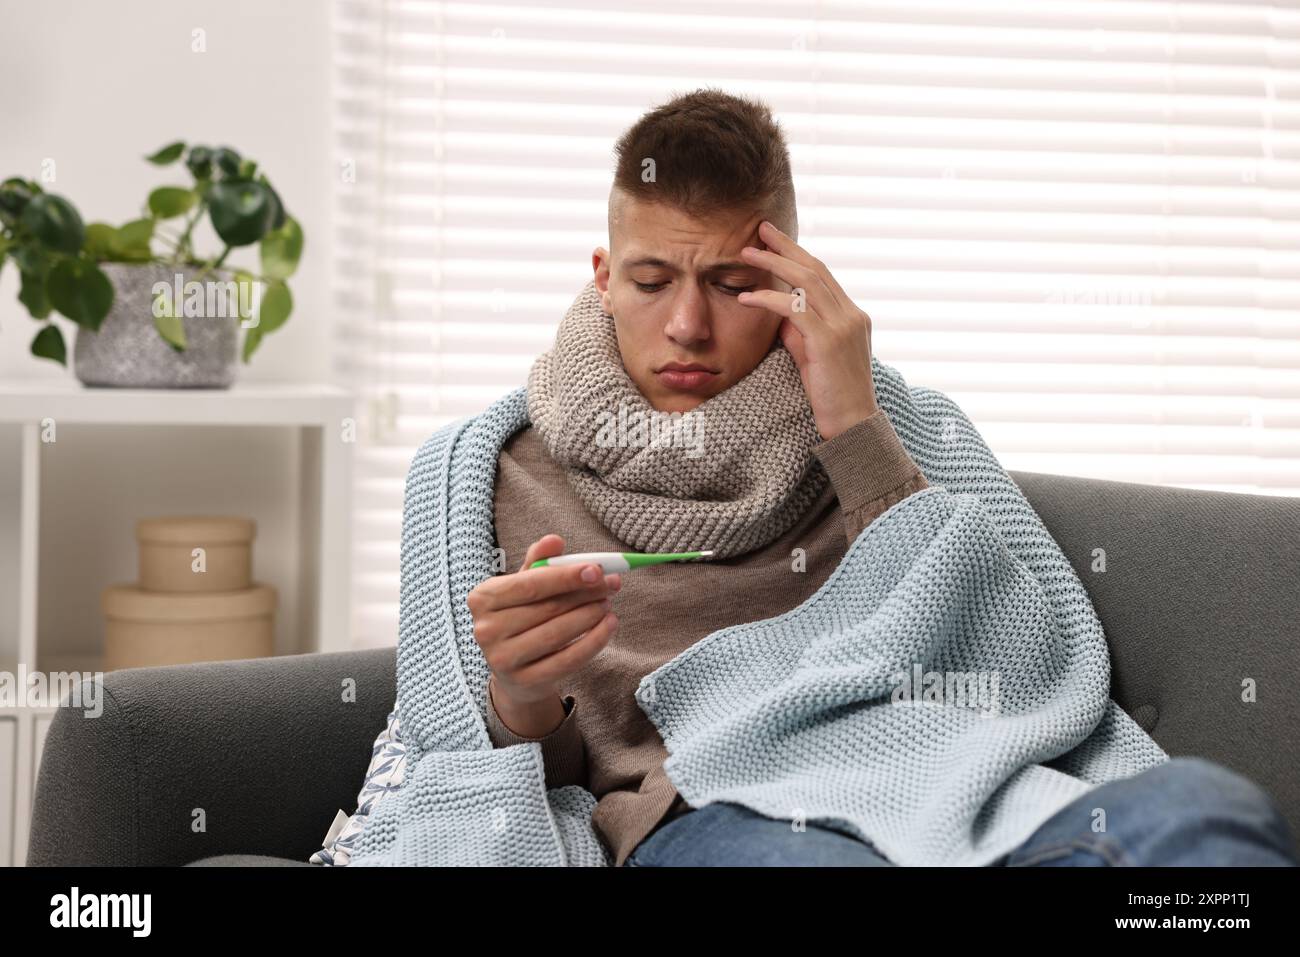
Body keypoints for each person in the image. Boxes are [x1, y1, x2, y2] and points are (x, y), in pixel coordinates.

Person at [430, 88, 1295, 868]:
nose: (688, 325)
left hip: (949, 780)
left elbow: (1018, 664)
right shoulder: (497, 472)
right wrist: (523, 694)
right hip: (715, 814)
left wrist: (853, 424)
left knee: (1207, 814)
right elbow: (520, 800)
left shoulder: (889, 424)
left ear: (795, 285)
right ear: (604, 279)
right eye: (652, 280)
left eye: (734, 285)